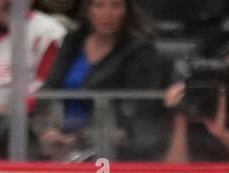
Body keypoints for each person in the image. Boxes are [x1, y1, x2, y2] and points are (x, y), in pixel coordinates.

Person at [38, 0, 163, 161]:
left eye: (115, 6)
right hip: (60, 138)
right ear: (88, 10)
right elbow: (49, 90)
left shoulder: (140, 50)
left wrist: (78, 138)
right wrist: (48, 129)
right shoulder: (73, 41)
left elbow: (136, 108)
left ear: (126, 11)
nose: (107, 14)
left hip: (110, 143)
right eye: (99, 6)